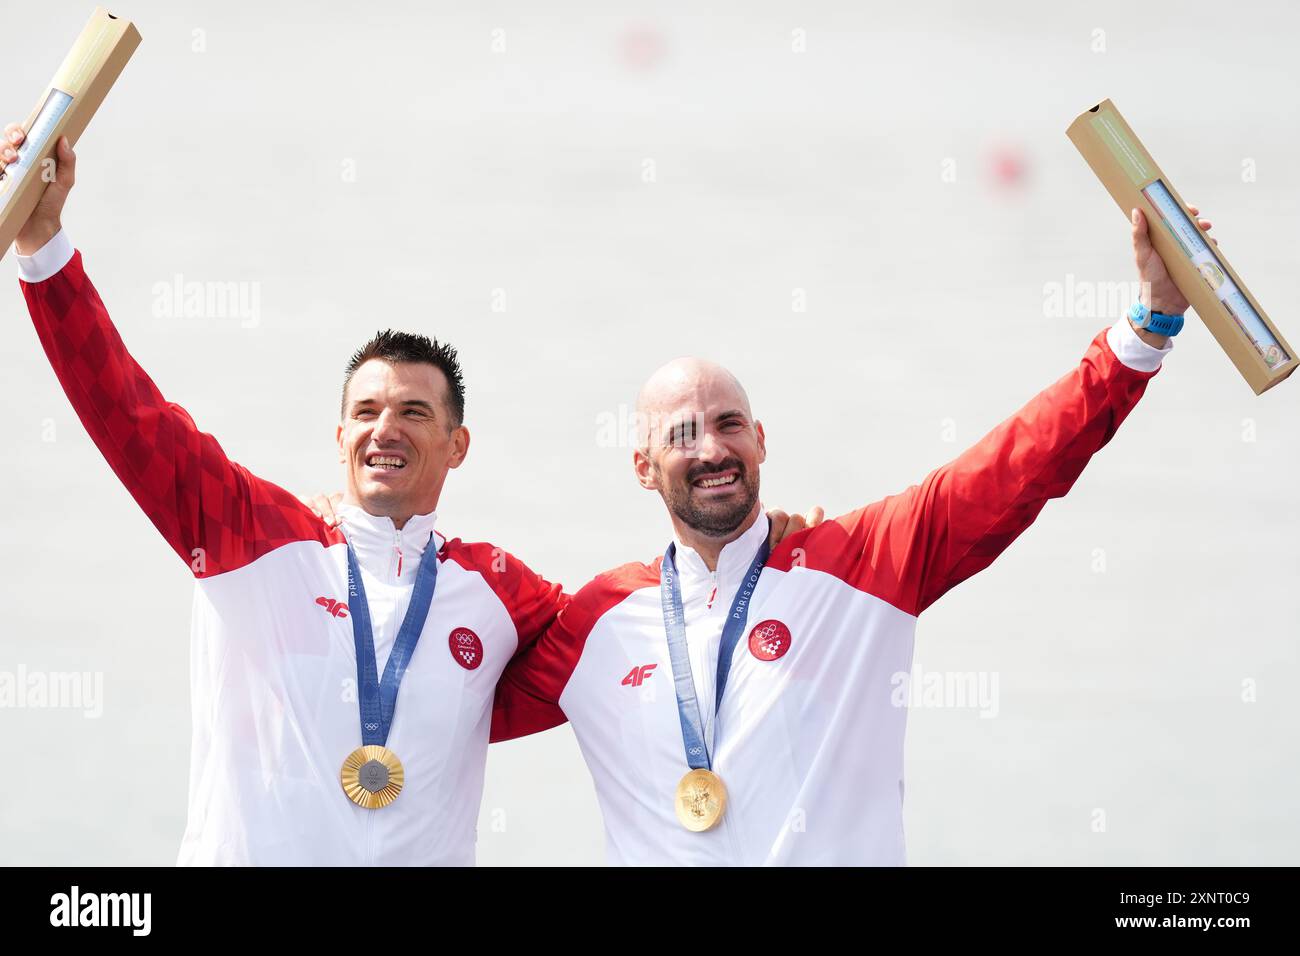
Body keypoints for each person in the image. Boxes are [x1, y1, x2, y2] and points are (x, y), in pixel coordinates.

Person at [3, 126, 817, 865]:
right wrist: (44, 246)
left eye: (414, 413)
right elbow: (127, 414)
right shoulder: (249, 533)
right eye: (365, 411)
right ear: (340, 436)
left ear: (456, 445)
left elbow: (646, 627)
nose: (384, 429)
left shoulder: (499, 593)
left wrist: (751, 549)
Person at [485, 202, 1213, 865]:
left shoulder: (863, 563)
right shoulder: (597, 620)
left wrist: (1146, 326)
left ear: (761, 441)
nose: (712, 450)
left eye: (729, 425)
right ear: (643, 467)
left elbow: (1015, 468)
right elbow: (436, 707)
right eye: (683, 434)